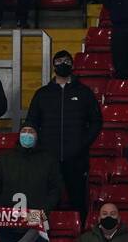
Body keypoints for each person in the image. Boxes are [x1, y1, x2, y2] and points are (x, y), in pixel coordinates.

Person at [25, 51, 104, 212]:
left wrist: (82, 143)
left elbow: (96, 121)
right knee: (48, 201)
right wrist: (41, 146)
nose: (63, 63)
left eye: (67, 60)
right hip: (48, 158)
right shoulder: (42, 94)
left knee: (78, 201)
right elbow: (31, 122)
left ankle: (79, 233)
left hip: (76, 159)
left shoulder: (84, 92)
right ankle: (46, 235)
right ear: (53, 65)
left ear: (72, 65)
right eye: (59, 61)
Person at [0, 123, 61, 242]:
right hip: (9, 220)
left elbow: (56, 189)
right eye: (24, 131)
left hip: (36, 220)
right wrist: (4, 209)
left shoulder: (48, 160)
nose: (27, 134)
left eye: (31, 131)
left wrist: (44, 210)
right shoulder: (5, 160)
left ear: (37, 136)